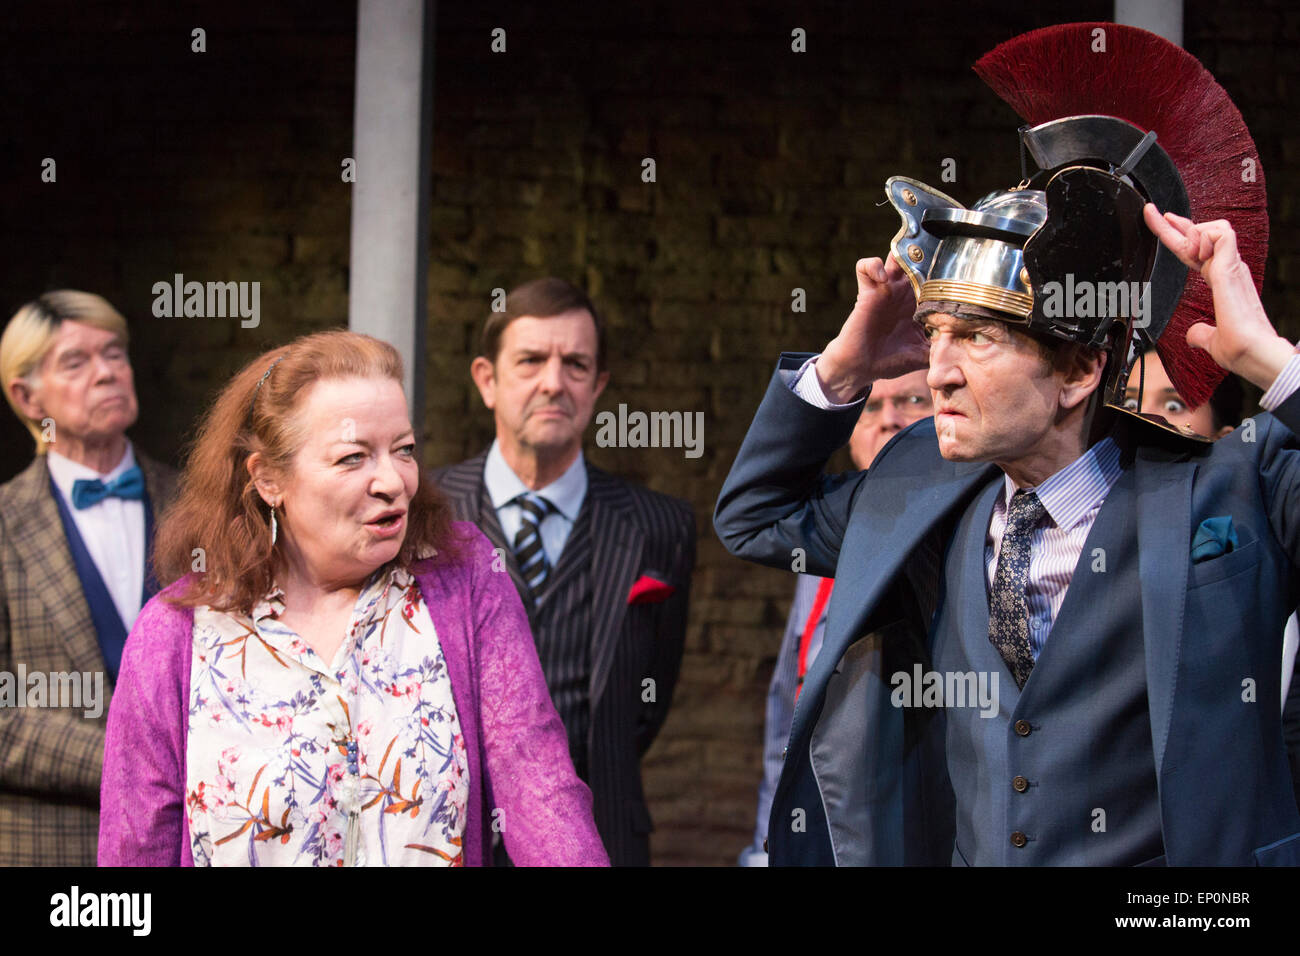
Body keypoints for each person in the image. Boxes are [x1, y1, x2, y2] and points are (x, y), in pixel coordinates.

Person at [714, 23, 1300, 865]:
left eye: (979, 340)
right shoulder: (918, 487)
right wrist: (843, 369)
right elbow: (756, 517)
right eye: (935, 332)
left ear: (1079, 369)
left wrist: (1267, 359)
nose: (941, 370)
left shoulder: (1235, 488)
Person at [98, 330, 607, 866]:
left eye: (404, 450)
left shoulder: (466, 581)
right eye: (352, 458)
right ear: (270, 479)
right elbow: (136, 849)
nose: (392, 480)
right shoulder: (175, 635)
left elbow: (539, 788)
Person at [434, 278, 696, 866]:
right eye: (530, 361)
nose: (553, 382)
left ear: (598, 385)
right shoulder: (423, 515)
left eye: (575, 364)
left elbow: (648, 703)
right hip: (449, 841)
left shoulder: (661, 528)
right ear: (486, 379)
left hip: (604, 837)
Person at [0, 291, 177, 866]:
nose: (106, 372)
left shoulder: (202, 508)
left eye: (115, 353)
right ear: (27, 397)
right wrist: (127, 760)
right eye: (76, 362)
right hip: (53, 847)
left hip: (188, 844)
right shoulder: (4, 524)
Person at [738, 370, 931, 866]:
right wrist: (766, 846)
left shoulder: (949, 536)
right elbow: (789, 705)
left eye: (913, 399)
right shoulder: (825, 542)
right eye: (871, 406)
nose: (889, 420)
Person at [1125, 346, 1300, 807]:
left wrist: (1283, 373)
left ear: (1228, 438)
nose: (1147, 417)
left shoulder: (1270, 519)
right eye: (1128, 402)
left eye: (1175, 404)